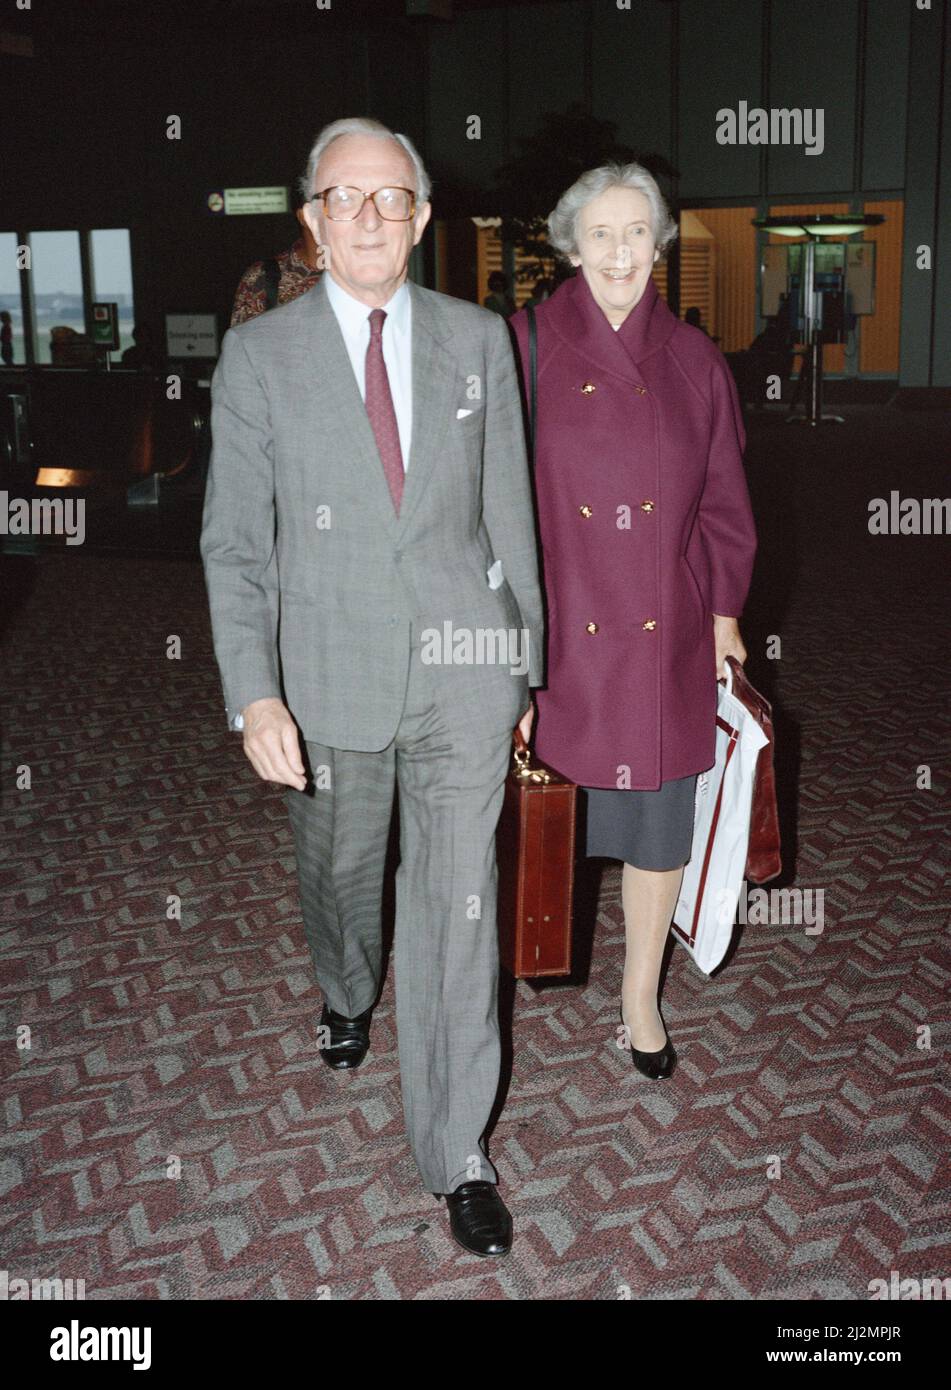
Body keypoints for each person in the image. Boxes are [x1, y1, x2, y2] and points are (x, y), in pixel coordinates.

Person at [200, 117, 544, 1257]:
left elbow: (510, 516)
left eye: (391, 198)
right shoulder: (260, 356)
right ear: (311, 219)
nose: (368, 217)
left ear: (422, 218)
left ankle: (457, 1148)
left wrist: (524, 658)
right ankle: (345, 989)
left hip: (462, 673)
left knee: (458, 912)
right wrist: (255, 693)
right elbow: (236, 544)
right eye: (344, 198)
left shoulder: (478, 339)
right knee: (344, 881)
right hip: (329, 677)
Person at [510, 162, 756, 1080]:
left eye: (637, 233)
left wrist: (726, 610)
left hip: (663, 630)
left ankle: (639, 995)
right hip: (559, 631)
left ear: (659, 245)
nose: (620, 252)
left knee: (658, 830)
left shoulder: (694, 361)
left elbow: (727, 501)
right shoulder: (520, 346)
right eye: (600, 234)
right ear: (570, 245)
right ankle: (531, 955)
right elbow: (488, 511)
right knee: (547, 821)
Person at [230, 189, 323, 326]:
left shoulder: (355, 272)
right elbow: (243, 343)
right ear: (305, 216)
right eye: (326, 207)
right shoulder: (262, 277)